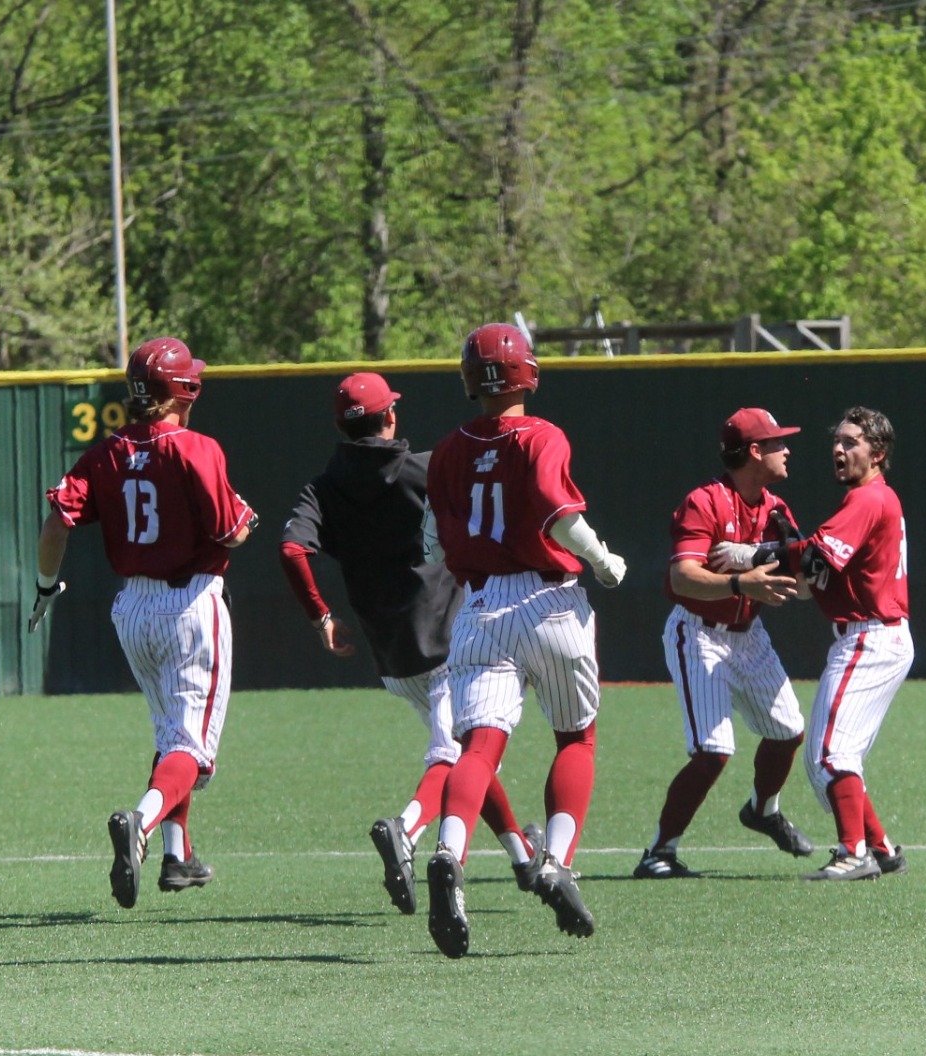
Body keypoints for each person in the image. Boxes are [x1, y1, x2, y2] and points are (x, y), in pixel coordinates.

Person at [277, 372, 542, 916]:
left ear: (339, 425)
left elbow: (290, 550)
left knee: (470, 754)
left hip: (392, 652)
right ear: (390, 417)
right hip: (450, 638)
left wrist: (321, 615)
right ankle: (409, 828)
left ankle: (521, 856)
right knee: (454, 755)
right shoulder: (427, 466)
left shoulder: (323, 486)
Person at [418, 322, 627, 958]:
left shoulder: (449, 449)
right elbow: (557, 511)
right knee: (575, 738)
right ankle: (557, 860)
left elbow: (430, 541)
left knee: (479, 747)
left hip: (480, 607)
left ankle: (450, 849)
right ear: (527, 373)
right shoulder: (541, 434)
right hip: (549, 601)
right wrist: (603, 559)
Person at [27, 337, 256, 909]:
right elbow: (232, 532)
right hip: (191, 605)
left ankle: (179, 856)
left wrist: (45, 585)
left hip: (132, 611)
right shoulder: (196, 447)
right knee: (192, 752)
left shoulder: (106, 453)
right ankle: (145, 821)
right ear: (185, 389)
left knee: (169, 733)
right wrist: (246, 520)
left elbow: (58, 523)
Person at [714, 406, 910, 882]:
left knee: (829, 754)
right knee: (835, 753)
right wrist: (791, 558)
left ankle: (853, 853)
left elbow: (818, 555)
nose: (839, 450)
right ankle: (879, 848)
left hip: (869, 637)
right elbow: (819, 570)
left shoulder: (868, 500)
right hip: (875, 636)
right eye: (837, 442)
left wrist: (752, 552)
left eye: (852, 443)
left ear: (878, 453)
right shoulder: (870, 500)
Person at [634, 408, 816, 880]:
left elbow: (803, 580)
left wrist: (775, 565)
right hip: (697, 632)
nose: (787, 449)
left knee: (788, 731)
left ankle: (763, 810)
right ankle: (659, 851)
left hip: (748, 634)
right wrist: (741, 583)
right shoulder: (704, 500)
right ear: (755, 451)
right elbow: (682, 576)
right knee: (713, 751)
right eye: (778, 443)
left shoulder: (776, 508)